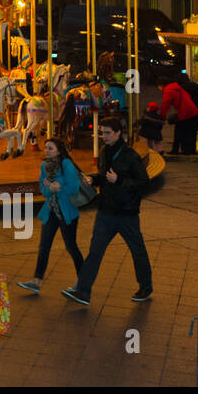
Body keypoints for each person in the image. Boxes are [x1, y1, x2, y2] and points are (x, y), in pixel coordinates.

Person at [63, 116, 153, 306]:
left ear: (118, 133)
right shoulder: (105, 152)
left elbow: (143, 182)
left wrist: (119, 180)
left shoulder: (130, 156)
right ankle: (83, 291)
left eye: (107, 133)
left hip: (126, 212)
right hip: (106, 210)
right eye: (102, 132)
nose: (104, 136)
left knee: (137, 249)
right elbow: (106, 176)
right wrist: (95, 179)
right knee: (95, 250)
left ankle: (145, 285)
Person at [17, 137, 85, 293]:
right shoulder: (44, 166)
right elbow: (43, 188)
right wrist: (51, 189)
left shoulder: (66, 164)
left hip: (66, 211)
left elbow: (74, 187)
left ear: (59, 150)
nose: (47, 150)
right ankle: (36, 281)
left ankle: (83, 280)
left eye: (50, 148)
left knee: (71, 246)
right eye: (46, 147)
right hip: (51, 210)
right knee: (44, 246)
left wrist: (58, 187)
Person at [157, 73, 198, 156]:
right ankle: (188, 150)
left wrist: (161, 118)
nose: (158, 88)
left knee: (179, 131)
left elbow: (165, 105)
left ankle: (178, 150)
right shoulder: (175, 87)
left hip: (185, 112)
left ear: (162, 85)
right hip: (191, 109)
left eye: (158, 85)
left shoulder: (168, 90)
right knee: (188, 131)